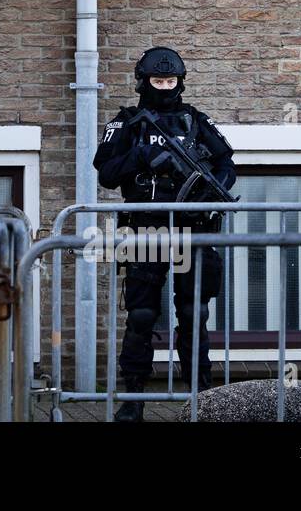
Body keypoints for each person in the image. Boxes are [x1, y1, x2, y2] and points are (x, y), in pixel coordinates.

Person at [92, 46, 237, 422]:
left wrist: (212, 191)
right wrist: (139, 157)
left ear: (180, 82)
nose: (165, 87)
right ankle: (133, 398)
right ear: (144, 82)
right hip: (148, 227)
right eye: (158, 81)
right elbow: (106, 174)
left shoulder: (194, 120)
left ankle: (200, 399)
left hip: (194, 227)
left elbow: (226, 163)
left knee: (193, 312)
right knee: (141, 315)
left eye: (170, 81)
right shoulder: (127, 122)